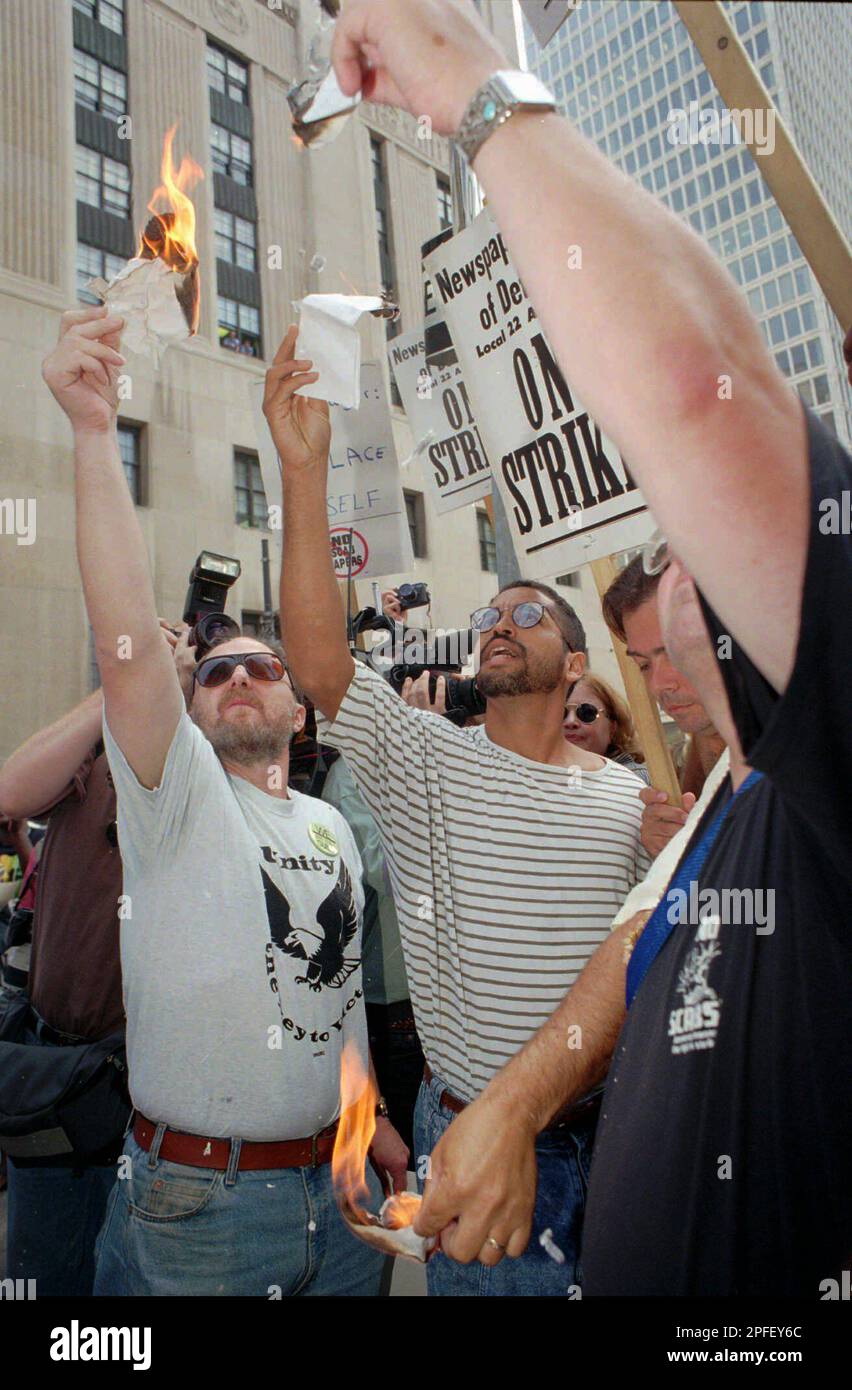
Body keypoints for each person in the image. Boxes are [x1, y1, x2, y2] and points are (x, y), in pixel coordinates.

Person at [328, 0, 852, 1295]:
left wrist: (459, 77)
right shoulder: (741, 801)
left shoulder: (813, 748)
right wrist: (503, 1106)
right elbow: (635, 950)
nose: (686, 556)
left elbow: (694, 385)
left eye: (693, 551)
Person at [268, 317, 649, 1295]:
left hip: (611, 1143)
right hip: (466, 1147)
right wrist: (301, 472)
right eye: (489, 614)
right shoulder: (426, 758)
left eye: (529, 612)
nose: (498, 622)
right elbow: (317, 662)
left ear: (575, 666)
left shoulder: (634, 800)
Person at [41, 304, 407, 1297]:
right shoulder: (178, 798)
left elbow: (339, 1000)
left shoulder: (331, 822)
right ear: (190, 711)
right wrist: (89, 429)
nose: (238, 678)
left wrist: (371, 1120)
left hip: (344, 1203)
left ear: (300, 705)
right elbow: (126, 645)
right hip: (202, 1216)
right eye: (216, 673)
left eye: (262, 667)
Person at [0, 694, 126, 1296]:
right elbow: (9, 793)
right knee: (41, 1279)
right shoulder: (98, 750)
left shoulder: (217, 762)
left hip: (157, 1098)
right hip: (61, 1075)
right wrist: (117, 691)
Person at [562, 673, 650, 784]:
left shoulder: (635, 781)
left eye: (587, 712)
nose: (570, 722)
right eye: (560, 713)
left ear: (612, 728)